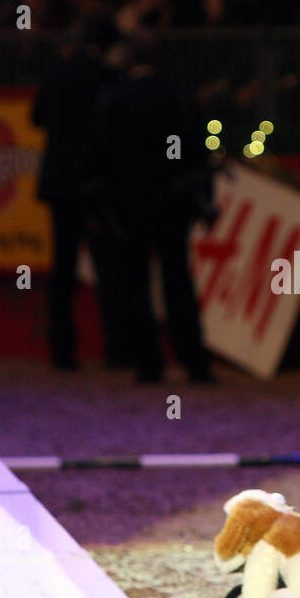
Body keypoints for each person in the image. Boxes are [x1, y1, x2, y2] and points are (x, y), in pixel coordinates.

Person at [88, 30, 214, 384]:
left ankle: (148, 362)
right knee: (178, 281)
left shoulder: (114, 100)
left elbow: (102, 155)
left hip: (129, 205)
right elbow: (195, 152)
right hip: (172, 203)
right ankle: (193, 361)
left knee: (135, 285)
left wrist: (106, 203)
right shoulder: (178, 97)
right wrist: (199, 198)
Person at [30, 15, 122, 369]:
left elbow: (36, 116)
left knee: (63, 265)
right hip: (95, 182)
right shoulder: (106, 75)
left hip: (60, 182)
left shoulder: (58, 73)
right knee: (107, 263)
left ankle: (62, 349)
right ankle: (116, 348)